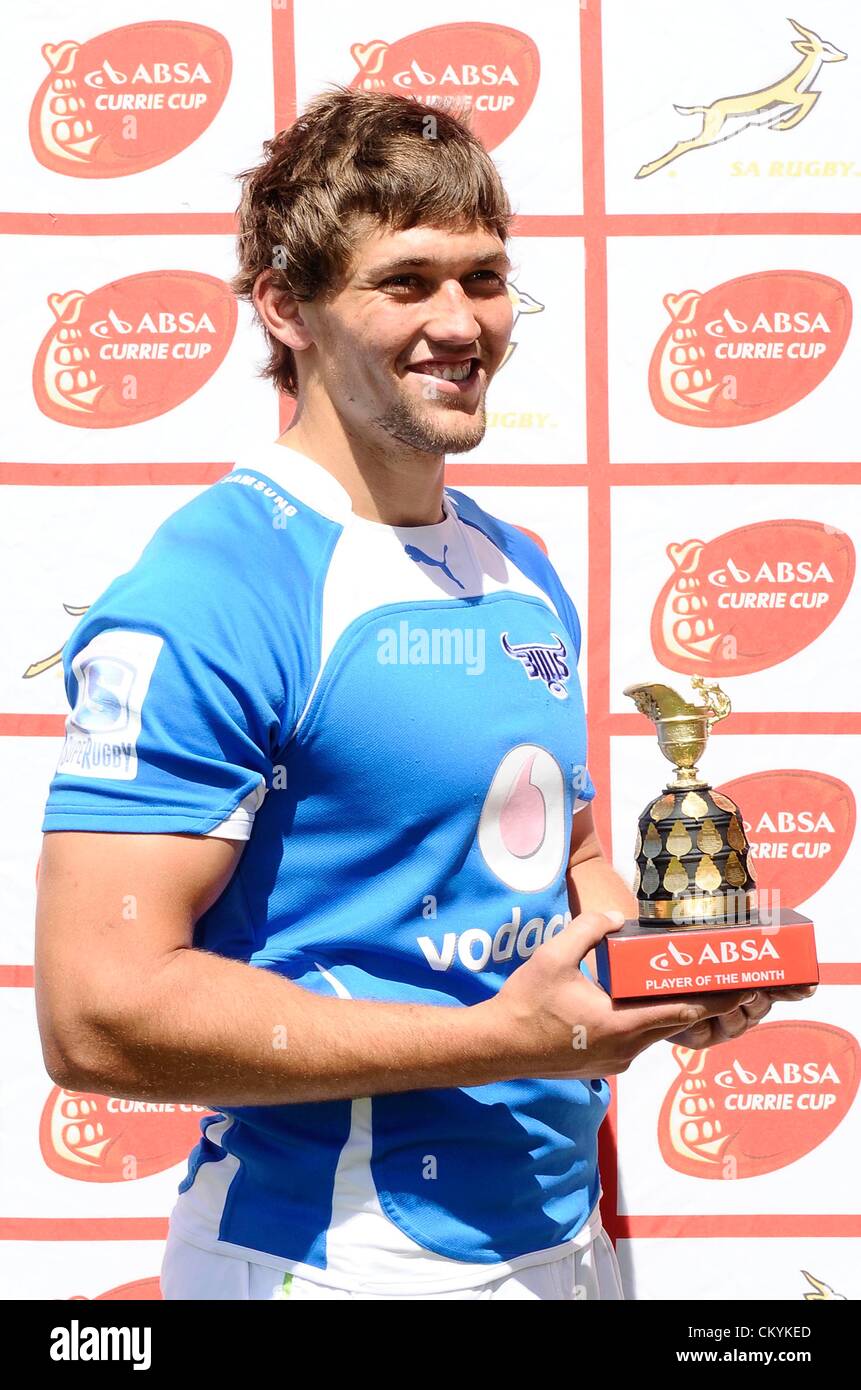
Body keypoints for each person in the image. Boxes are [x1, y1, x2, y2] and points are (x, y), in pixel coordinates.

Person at [34, 86, 813, 1301]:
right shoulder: (215, 586)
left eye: (485, 277)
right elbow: (95, 1016)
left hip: (567, 1245)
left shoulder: (520, 566)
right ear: (285, 308)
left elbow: (576, 865)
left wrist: (677, 974)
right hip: (328, 1263)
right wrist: (502, 1039)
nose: (462, 321)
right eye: (407, 282)